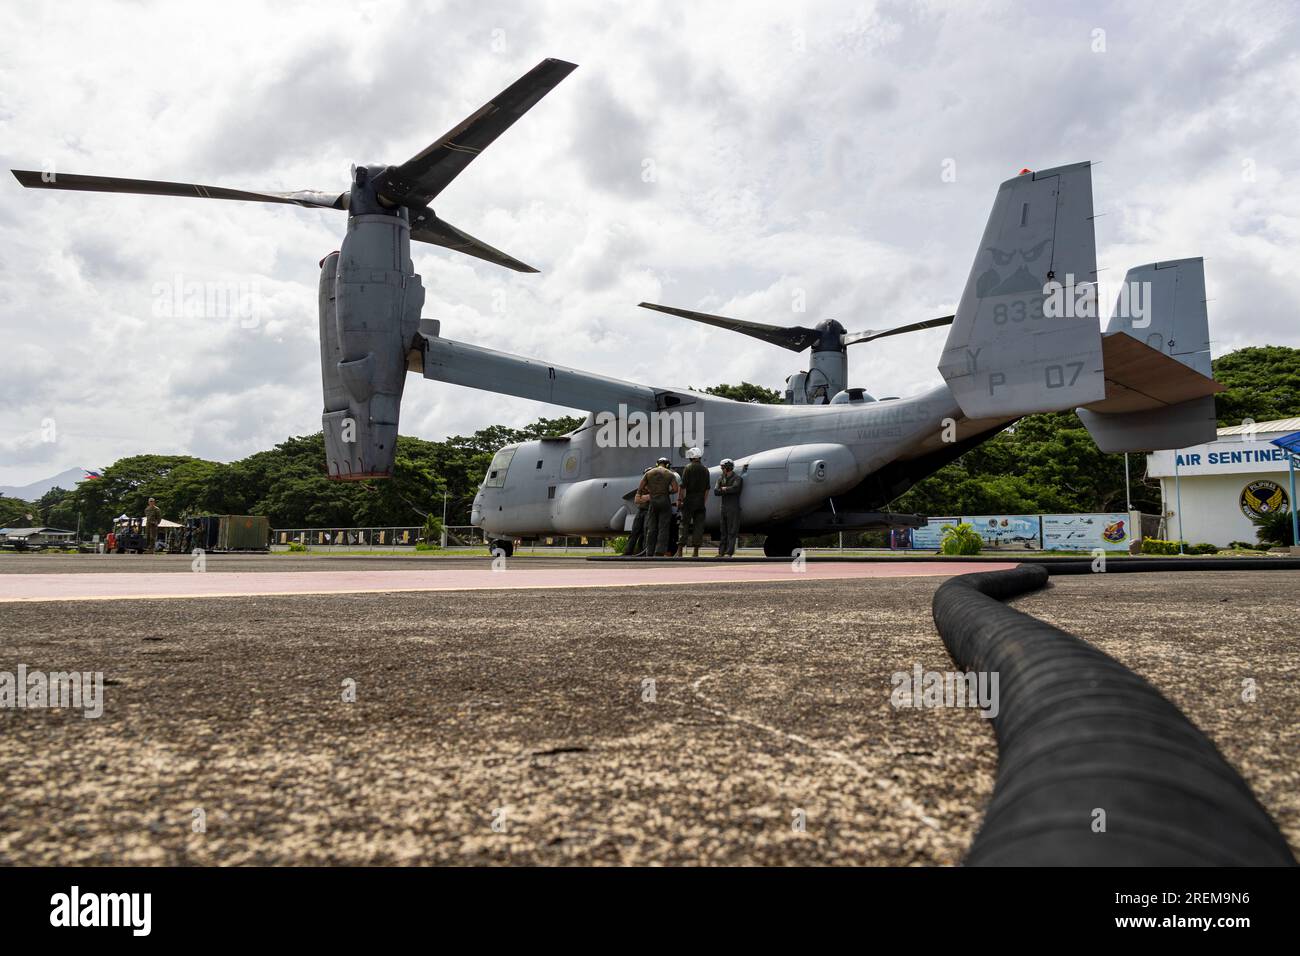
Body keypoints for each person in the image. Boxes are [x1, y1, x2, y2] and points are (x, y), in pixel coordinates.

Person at [638, 456, 680, 557]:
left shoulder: (649, 473)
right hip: (664, 501)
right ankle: (659, 551)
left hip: (653, 501)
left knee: (651, 527)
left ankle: (649, 551)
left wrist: (649, 492)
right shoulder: (669, 474)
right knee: (663, 527)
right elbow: (675, 489)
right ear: (667, 465)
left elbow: (641, 486)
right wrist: (666, 492)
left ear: (657, 464)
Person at [676, 447, 710, 558]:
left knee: (684, 524)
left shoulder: (688, 468)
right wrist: (703, 502)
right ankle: (695, 552)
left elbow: (682, 486)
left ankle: (680, 551)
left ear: (691, 457)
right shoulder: (705, 469)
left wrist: (680, 499)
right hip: (700, 501)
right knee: (698, 526)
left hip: (689, 500)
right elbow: (707, 489)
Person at [714, 458, 744, 557]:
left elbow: (736, 489)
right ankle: (721, 552)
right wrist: (726, 489)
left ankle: (729, 552)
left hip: (733, 508)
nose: (722, 469)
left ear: (728, 468)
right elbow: (716, 491)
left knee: (732, 531)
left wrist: (724, 488)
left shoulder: (737, 478)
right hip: (724, 508)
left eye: (723, 468)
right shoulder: (720, 478)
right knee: (723, 531)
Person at [625, 466, 653, 556]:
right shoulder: (641, 487)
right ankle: (628, 552)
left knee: (646, 532)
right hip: (641, 510)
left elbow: (653, 497)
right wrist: (646, 498)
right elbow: (636, 500)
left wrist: (644, 498)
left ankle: (644, 552)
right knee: (634, 532)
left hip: (649, 511)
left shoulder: (655, 487)